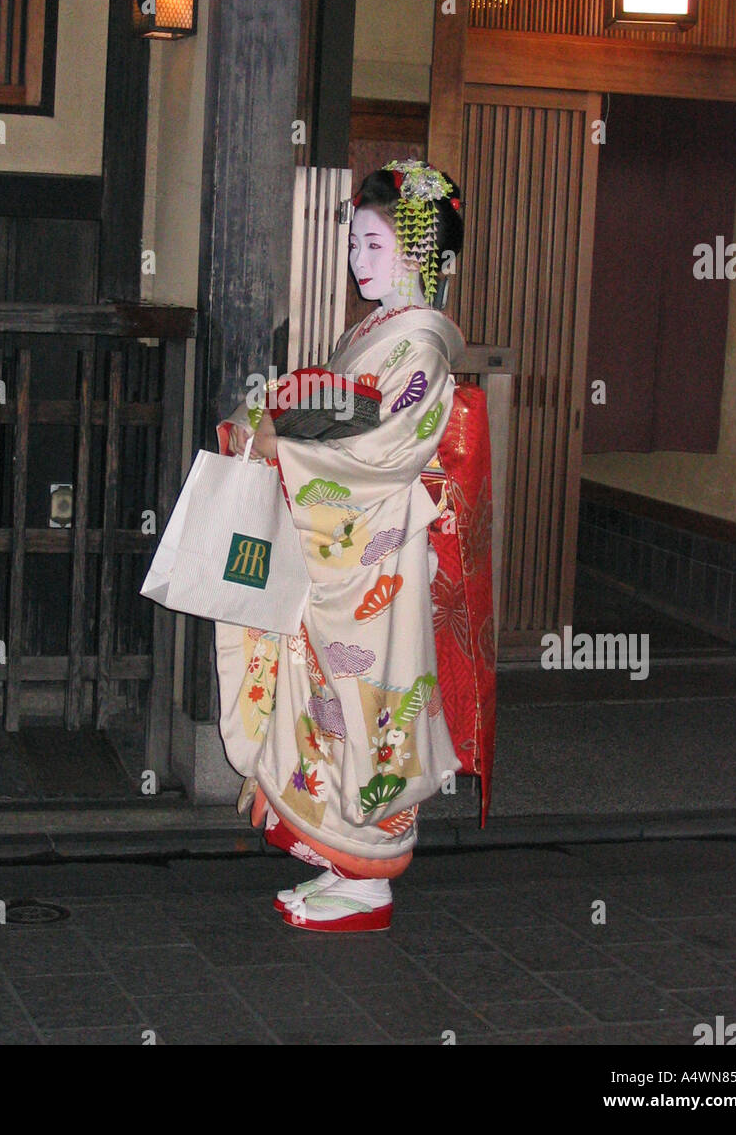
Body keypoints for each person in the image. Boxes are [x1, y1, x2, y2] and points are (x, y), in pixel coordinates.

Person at [215, 160, 496, 933]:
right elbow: (341, 420)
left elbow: (383, 454)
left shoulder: (420, 344)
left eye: (373, 246)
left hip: (373, 547)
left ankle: (369, 872)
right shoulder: (380, 331)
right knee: (331, 703)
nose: (357, 262)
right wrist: (276, 424)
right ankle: (342, 862)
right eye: (355, 244)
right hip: (349, 545)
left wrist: (281, 442)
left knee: (373, 702)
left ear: (416, 254)